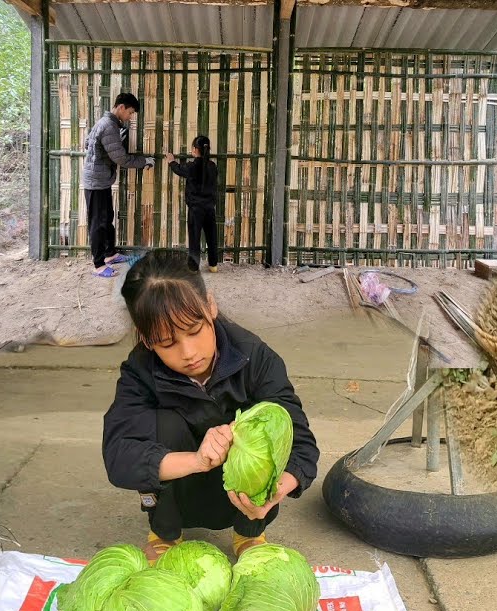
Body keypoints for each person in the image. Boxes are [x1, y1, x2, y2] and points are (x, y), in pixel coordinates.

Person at [101, 249, 320, 564]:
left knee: (263, 426)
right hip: (178, 492)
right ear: (147, 340)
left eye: (194, 331)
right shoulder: (139, 372)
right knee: (165, 423)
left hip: (244, 501)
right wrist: (198, 460)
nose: (189, 352)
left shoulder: (255, 357)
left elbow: (302, 445)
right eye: (167, 343)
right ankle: (164, 535)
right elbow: (119, 456)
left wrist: (273, 494)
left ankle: (249, 532)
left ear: (211, 307)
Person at [83, 93, 154, 278]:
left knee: (107, 218)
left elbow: (87, 143)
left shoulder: (107, 123)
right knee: (98, 224)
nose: (130, 117)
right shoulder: (108, 126)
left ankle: (110, 254)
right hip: (96, 182)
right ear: (121, 107)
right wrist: (144, 160)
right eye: (130, 112)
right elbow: (121, 158)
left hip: (100, 180)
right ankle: (98, 265)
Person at [165, 136, 220, 273]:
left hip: (196, 209)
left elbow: (178, 169)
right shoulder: (213, 166)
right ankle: (213, 265)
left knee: (194, 238)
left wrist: (171, 161)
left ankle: (193, 267)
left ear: (195, 149)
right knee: (211, 236)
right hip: (210, 207)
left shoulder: (192, 166)